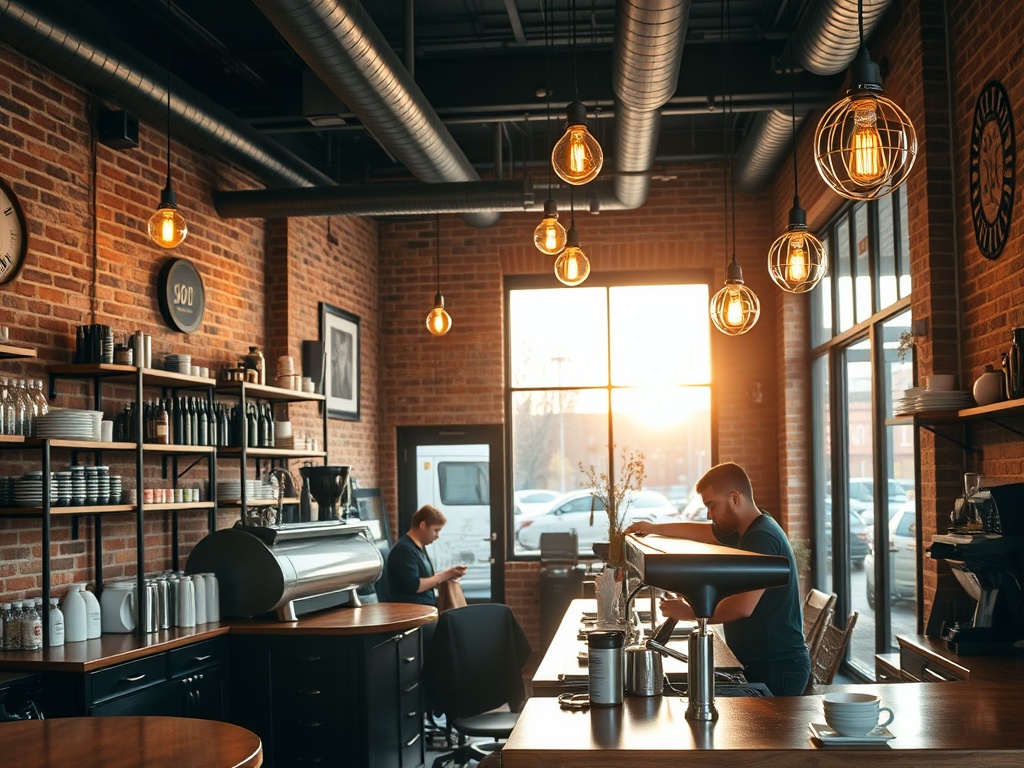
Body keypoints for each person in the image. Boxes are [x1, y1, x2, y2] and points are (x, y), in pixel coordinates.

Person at [626, 462, 810, 696]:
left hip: (777, 669)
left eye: (712, 506)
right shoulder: (744, 531)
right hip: (762, 664)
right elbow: (700, 532)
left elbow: (741, 607)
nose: (709, 514)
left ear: (735, 498)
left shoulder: (761, 538)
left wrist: (688, 611)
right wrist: (653, 528)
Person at [386, 504, 466, 607]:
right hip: (412, 613)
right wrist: (446, 575)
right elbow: (415, 586)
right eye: (436, 530)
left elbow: (425, 577)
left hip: (424, 609)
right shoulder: (405, 550)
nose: (437, 536)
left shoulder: (419, 547)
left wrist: (449, 574)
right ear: (423, 525)